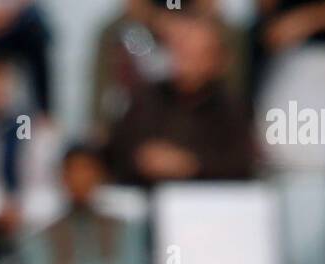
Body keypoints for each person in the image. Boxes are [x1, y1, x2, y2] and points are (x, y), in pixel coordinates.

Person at [106, 13, 254, 186]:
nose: (184, 59)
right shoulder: (146, 99)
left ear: (216, 60)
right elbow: (117, 151)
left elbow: (241, 163)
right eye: (180, 49)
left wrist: (190, 165)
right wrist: (144, 159)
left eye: (194, 53)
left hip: (211, 204)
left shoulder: (232, 108)